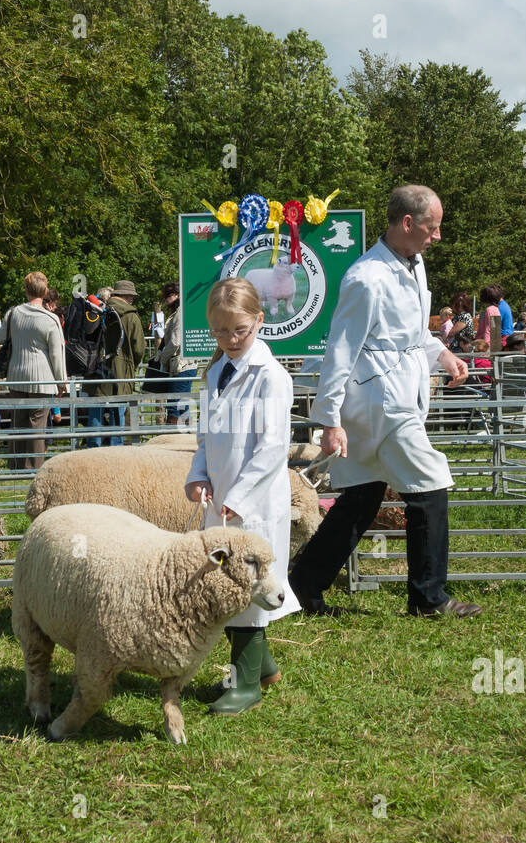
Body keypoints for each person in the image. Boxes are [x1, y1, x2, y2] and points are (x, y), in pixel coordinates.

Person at [289, 184, 481, 619]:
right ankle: (428, 598)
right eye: (432, 228)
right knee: (430, 482)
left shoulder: (414, 265)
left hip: (393, 396)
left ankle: (302, 586)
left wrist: (444, 354)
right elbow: (341, 347)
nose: (437, 237)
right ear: (407, 223)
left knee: (362, 496)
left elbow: (412, 333)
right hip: (381, 403)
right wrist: (329, 419)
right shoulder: (366, 277)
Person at [184, 277, 300, 713]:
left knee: (248, 585)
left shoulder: (271, 377)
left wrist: (241, 496)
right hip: (221, 501)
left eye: (239, 331)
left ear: (259, 321)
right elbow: (206, 439)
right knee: (227, 583)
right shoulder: (215, 372)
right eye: (220, 331)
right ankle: (262, 668)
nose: (230, 340)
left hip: (253, 504)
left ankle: (245, 683)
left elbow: (272, 448)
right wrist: (199, 476)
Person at [0, 271, 67, 470]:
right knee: (37, 426)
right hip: (43, 379)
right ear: (45, 291)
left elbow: (1, 337)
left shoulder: (13, 313)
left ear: (26, 290)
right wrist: (61, 382)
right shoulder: (50, 319)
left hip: (16, 376)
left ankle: (17, 466)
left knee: (18, 422)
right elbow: (56, 354)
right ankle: (34, 468)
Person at [85, 278, 145, 446]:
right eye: (131, 296)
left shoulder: (97, 310)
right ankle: (115, 452)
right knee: (116, 415)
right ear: (127, 296)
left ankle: (92, 452)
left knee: (95, 413)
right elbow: (139, 348)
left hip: (96, 370)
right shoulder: (131, 316)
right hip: (120, 372)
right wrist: (131, 364)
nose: (132, 299)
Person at [155, 281, 197, 425]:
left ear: (178, 295)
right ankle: (185, 437)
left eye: (170, 295)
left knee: (174, 404)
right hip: (183, 364)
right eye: (166, 295)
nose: (167, 298)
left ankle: (173, 438)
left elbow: (175, 341)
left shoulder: (180, 313)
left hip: (181, 364)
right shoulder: (181, 311)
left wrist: (162, 358)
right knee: (182, 405)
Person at [478, 284, 505, 350]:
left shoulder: (490, 310)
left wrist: (484, 347)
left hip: (487, 346)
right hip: (494, 345)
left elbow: (488, 330)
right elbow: (495, 330)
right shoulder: (495, 309)